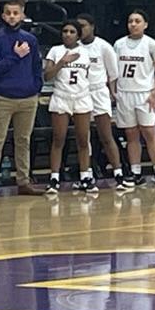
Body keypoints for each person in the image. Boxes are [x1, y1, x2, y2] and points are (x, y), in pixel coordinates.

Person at [0, 0, 45, 197]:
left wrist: (36, 87)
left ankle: (23, 181)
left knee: (23, 140)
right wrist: (15, 56)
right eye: (8, 13)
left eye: (16, 13)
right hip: (3, 98)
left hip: (28, 98)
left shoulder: (31, 40)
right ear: (2, 15)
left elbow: (36, 67)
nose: (12, 16)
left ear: (22, 15)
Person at [112, 10, 155, 187]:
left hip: (144, 94)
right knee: (131, 134)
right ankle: (135, 172)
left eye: (137, 21)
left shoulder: (151, 44)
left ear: (145, 24)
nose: (133, 24)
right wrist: (113, 91)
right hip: (125, 93)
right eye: (130, 21)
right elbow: (112, 71)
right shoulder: (119, 44)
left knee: (150, 133)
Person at [44, 20, 99, 193]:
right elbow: (47, 76)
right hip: (61, 97)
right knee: (58, 139)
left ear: (78, 34)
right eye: (65, 31)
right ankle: (54, 178)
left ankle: (85, 177)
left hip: (81, 97)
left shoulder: (86, 52)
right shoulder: (55, 50)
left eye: (72, 31)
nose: (67, 34)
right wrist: (62, 62)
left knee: (83, 140)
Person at [76, 13, 124, 186]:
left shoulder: (104, 47)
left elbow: (113, 74)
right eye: (78, 26)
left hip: (99, 92)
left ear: (92, 26)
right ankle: (86, 175)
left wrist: (113, 94)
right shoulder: (73, 48)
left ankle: (118, 173)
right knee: (83, 137)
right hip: (80, 94)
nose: (81, 29)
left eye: (84, 25)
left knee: (106, 135)